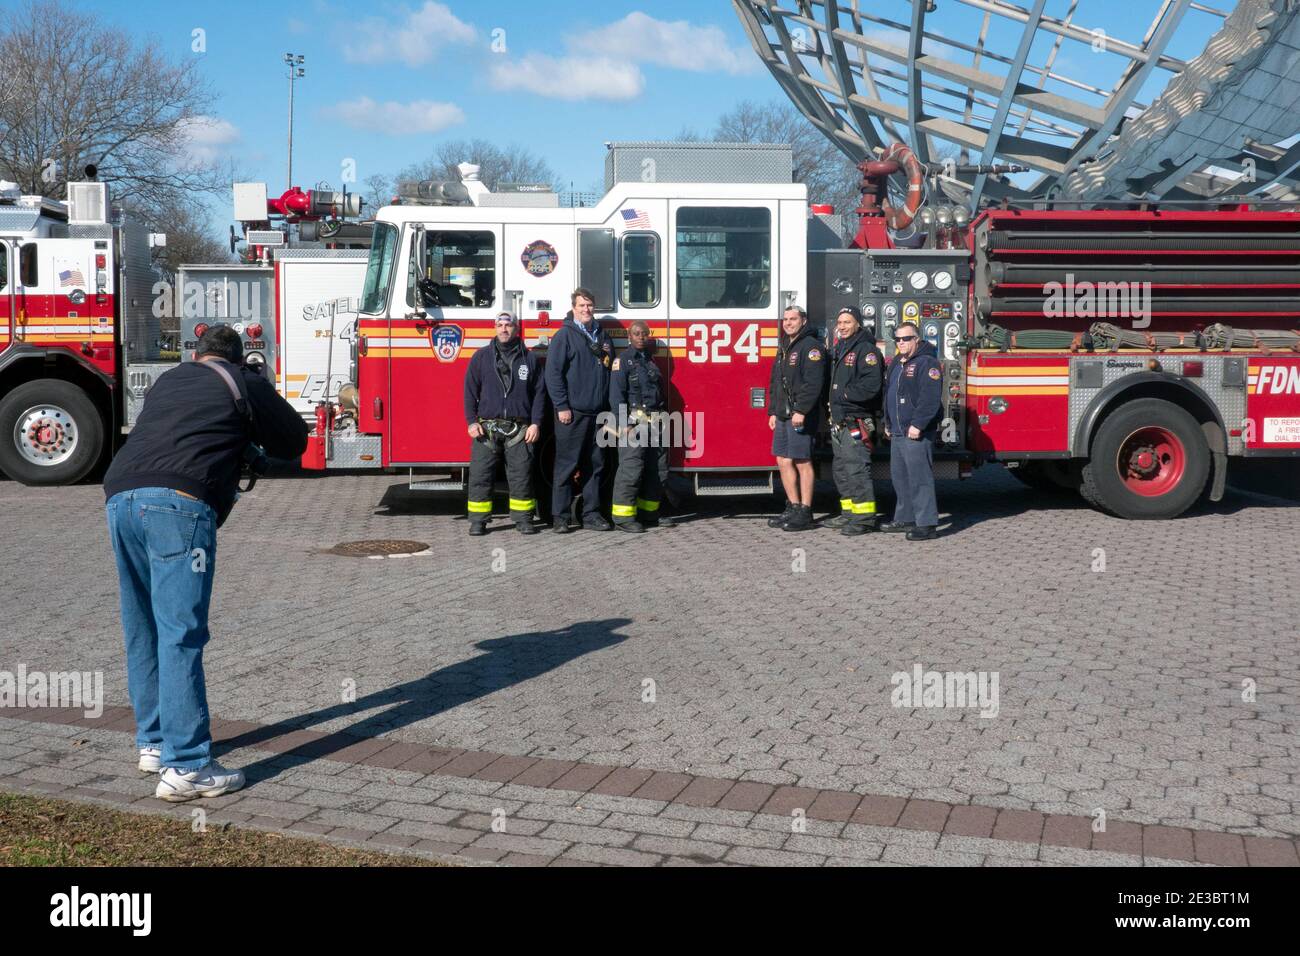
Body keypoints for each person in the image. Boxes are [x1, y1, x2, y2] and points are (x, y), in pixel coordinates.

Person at [103, 325, 309, 801]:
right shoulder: (241, 380)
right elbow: (294, 441)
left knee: (144, 628)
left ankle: (154, 743)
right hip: (178, 504)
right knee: (182, 634)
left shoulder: (170, 380)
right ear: (236, 360)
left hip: (121, 498)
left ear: (197, 354)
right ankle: (189, 766)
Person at [463, 311, 544, 535]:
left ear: (516, 329)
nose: (504, 329)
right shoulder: (481, 357)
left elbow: (539, 394)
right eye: (500, 325)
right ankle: (478, 521)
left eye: (508, 325)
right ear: (495, 328)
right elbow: (470, 392)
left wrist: (536, 423)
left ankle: (524, 520)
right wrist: (471, 422)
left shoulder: (529, 359)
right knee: (480, 475)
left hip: (520, 429)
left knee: (521, 475)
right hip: (486, 428)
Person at [545, 287, 614, 532]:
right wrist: (561, 406)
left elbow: (608, 372)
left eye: (590, 305)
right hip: (572, 413)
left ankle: (592, 515)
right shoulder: (564, 336)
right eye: (582, 305)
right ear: (573, 308)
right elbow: (553, 375)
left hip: (598, 413)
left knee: (595, 466)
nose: (586, 309)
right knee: (566, 466)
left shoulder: (602, 336)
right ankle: (560, 518)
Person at [767, 305, 827, 531]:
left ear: (804, 321)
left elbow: (813, 384)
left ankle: (806, 510)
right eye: (785, 319)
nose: (788, 323)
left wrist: (801, 410)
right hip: (783, 415)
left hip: (800, 415)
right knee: (782, 460)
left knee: (802, 461)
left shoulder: (811, 347)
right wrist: (773, 411)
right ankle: (792, 506)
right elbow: (775, 381)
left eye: (793, 319)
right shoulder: (784, 346)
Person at [609, 320, 673, 532]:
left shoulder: (650, 362)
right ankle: (622, 518)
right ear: (629, 336)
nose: (641, 337)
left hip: (655, 424)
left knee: (657, 470)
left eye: (644, 334)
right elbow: (616, 396)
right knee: (631, 470)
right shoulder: (622, 361)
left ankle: (649, 513)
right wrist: (623, 423)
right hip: (633, 425)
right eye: (637, 333)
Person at [825, 307, 884, 535]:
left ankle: (864, 519)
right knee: (841, 470)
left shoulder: (866, 350)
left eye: (847, 322)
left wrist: (843, 394)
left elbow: (872, 386)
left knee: (856, 470)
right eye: (840, 322)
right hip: (839, 420)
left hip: (855, 420)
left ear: (858, 324)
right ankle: (849, 514)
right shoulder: (841, 348)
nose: (842, 326)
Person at [882, 321, 943, 540]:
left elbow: (930, 399)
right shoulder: (898, 362)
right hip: (898, 431)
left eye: (906, 339)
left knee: (920, 478)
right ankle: (906, 518)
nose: (901, 343)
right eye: (897, 339)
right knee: (900, 478)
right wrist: (887, 423)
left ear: (916, 339)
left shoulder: (928, 363)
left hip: (916, 431)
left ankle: (926, 524)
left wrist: (918, 425)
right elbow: (888, 393)